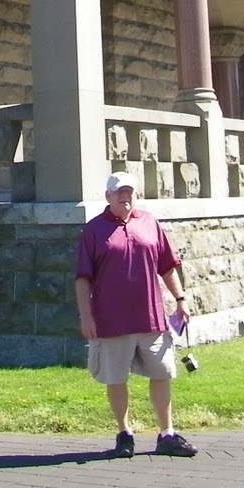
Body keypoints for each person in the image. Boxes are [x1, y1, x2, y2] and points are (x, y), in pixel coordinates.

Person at [74, 170, 197, 458]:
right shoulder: (93, 231)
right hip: (111, 319)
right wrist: (86, 316)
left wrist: (180, 299)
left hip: (151, 317)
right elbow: (82, 278)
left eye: (129, 191)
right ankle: (124, 433)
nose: (125, 196)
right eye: (119, 192)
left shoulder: (150, 223)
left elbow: (166, 265)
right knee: (116, 378)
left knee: (162, 373)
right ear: (108, 196)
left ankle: (166, 433)